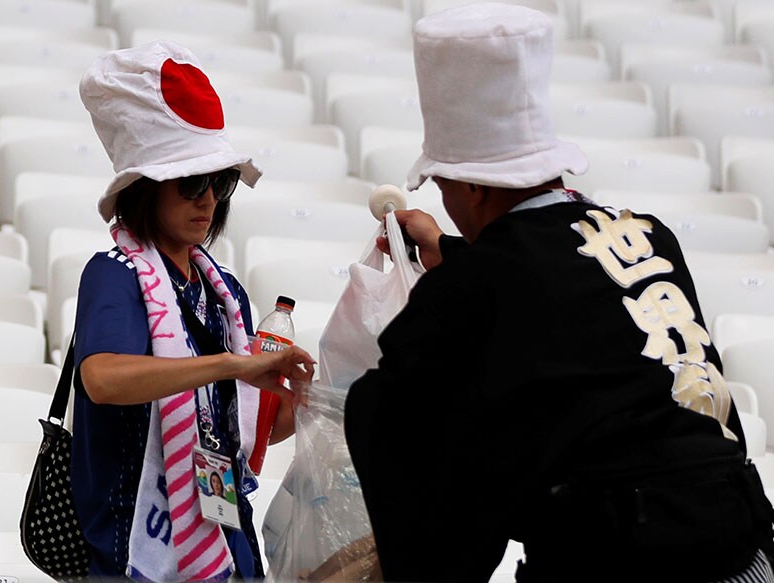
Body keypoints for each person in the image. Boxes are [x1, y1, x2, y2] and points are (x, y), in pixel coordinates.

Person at [342, 4, 774, 582]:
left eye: (443, 185)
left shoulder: (478, 285)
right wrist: (455, 255)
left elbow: (396, 414)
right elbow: (559, 289)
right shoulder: (648, 236)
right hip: (744, 542)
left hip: (621, 557)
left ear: (471, 185)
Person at [70, 40, 315, 581]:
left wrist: (298, 403)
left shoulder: (224, 290)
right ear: (144, 189)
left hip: (227, 538)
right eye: (191, 182)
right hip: (132, 552)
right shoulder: (114, 272)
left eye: (220, 182)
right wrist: (233, 365)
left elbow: (237, 431)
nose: (208, 200)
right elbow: (104, 379)